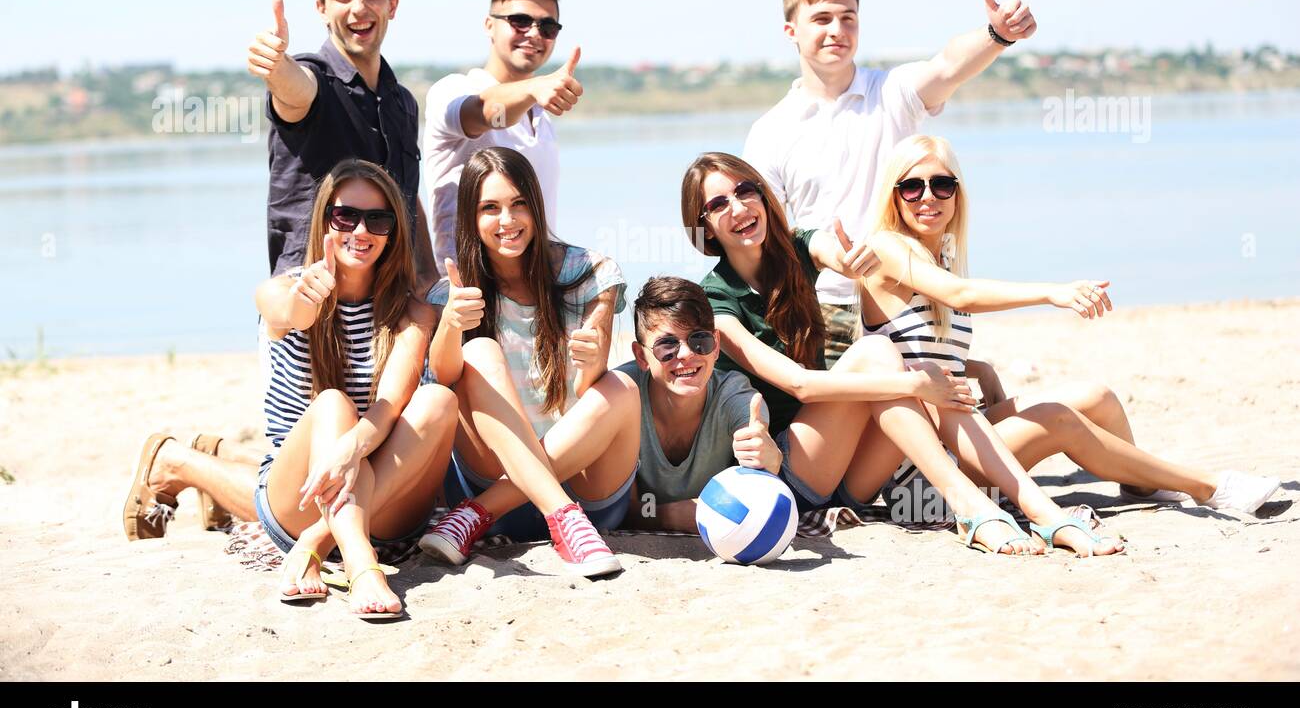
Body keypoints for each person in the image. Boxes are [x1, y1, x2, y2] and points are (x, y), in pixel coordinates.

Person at [682, 151, 1124, 557]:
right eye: (718, 205)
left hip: (848, 477)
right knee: (884, 355)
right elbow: (800, 385)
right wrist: (916, 383)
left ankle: (1043, 512)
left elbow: (835, 251)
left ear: (762, 193)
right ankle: (971, 507)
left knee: (925, 371)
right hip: (784, 474)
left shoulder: (797, 249)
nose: (738, 208)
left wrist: (854, 260)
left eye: (745, 190)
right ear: (702, 226)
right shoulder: (716, 302)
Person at [857, 134, 1281, 516]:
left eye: (941, 184)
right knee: (1059, 419)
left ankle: (1140, 484)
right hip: (919, 474)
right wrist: (1051, 293)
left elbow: (922, 349)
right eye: (912, 187)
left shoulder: (940, 258)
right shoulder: (886, 248)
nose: (927, 197)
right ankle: (1207, 486)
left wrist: (977, 368)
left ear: (957, 194)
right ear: (894, 198)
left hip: (956, 426)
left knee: (1098, 398)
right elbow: (960, 296)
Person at [124, 160, 457, 618]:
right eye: (345, 217)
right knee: (333, 404)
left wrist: (350, 451)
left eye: (377, 219)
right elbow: (291, 316)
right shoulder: (280, 292)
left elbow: (392, 405)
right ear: (324, 220)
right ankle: (362, 566)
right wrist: (308, 302)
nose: (361, 230)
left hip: (387, 497)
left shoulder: (412, 313)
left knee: (439, 400)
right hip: (302, 488)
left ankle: (314, 542)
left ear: (394, 231)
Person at [743, 0, 1036, 365]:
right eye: (822, 19)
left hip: (907, 293)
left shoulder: (892, 92)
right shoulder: (770, 131)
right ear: (791, 31)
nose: (837, 30)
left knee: (936, 403)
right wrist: (826, 255)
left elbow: (947, 66)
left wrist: (997, 35)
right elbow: (769, 234)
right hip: (827, 304)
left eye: (848, 18)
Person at [420, 147, 639, 577]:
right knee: (478, 351)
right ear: (471, 218)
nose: (508, 220)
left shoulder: (591, 273)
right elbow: (443, 381)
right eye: (490, 208)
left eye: (519, 203)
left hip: (585, 492)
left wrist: (593, 362)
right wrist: (450, 324)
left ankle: (486, 511)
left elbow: (588, 391)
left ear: (536, 206)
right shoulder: (454, 292)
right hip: (494, 473)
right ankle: (560, 515)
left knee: (622, 388)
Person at [247, 0, 435, 288]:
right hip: (310, 305)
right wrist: (276, 67)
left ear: (392, 4)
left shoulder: (402, 102)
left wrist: (428, 277)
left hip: (388, 303)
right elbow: (295, 90)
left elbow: (407, 197)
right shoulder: (314, 79)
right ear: (321, 9)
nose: (358, 8)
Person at [423, 0, 582, 277]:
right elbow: (485, 110)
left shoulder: (541, 116)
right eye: (520, 20)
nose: (534, 33)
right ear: (489, 25)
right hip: (469, 291)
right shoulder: (454, 90)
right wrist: (535, 87)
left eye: (547, 27)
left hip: (533, 289)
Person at [617, 276, 780, 533]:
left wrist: (769, 461)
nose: (686, 354)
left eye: (699, 340)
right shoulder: (621, 394)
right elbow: (623, 511)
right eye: (666, 345)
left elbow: (759, 484)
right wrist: (676, 515)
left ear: (715, 346)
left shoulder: (734, 395)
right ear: (641, 356)